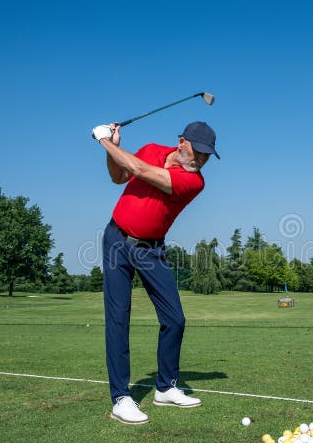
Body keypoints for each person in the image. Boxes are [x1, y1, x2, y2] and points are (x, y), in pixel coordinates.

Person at [92, 120, 220, 424]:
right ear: (181, 142)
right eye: (198, 151)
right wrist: (114, 148)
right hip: (116, 240)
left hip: (151, 250)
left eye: (206, 156)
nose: (200, 160)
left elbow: (140, 171)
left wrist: (104, 142)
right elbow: (118, 175)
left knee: (175, 318)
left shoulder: (194, 182)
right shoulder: (150, 149)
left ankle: (166, 387)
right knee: (118, 318)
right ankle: (121, 398)